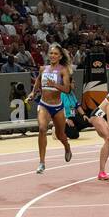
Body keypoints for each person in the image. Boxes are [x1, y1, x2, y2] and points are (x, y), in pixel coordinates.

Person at [29, 44, 74, 174]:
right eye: (51, 53)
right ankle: (42, 162)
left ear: (60, 57)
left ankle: (67, 147)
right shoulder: (43, 68)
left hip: (58, 107)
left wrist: (54, 84)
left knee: (60, 135)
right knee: (42, 129)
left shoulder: (63, 70)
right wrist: (33, 92)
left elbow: (67, 89)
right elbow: (37, 81)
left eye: (55, 54)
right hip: (44, 105)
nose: (53, 56)